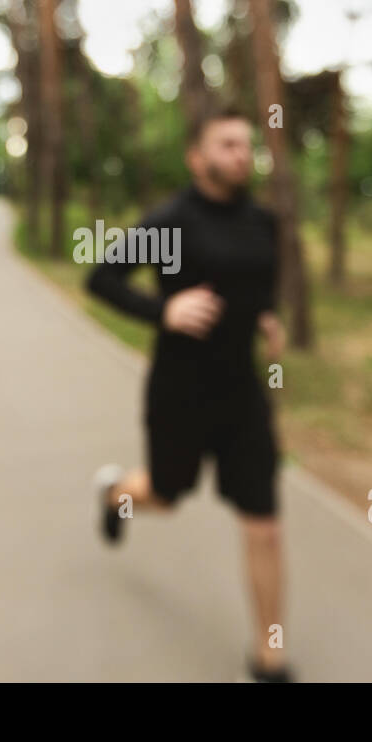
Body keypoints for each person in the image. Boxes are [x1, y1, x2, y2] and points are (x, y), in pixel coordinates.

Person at [85, 104, 294, 683]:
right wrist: (164, 310)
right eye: (226, 144)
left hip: (243, 395)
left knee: (266, 525)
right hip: (181, 392)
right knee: (165, 495)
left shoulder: (262, 222)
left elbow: (257, 282)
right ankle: (114, 496)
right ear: (196, 158)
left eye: (246, 143)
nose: (240, 153)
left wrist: (266, 316)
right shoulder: (172, 223)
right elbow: (101, 279)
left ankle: (269, 657)